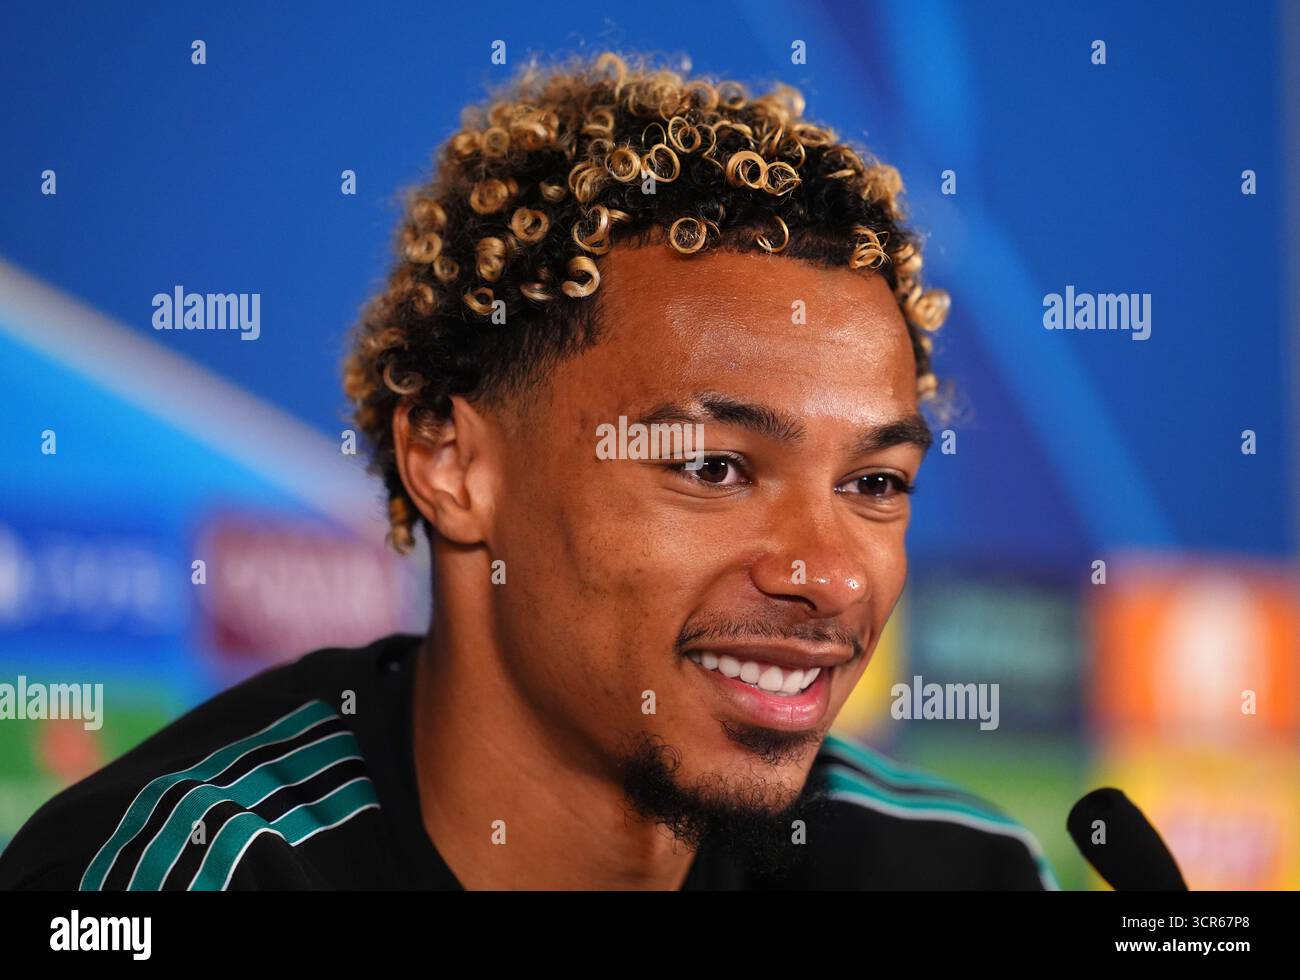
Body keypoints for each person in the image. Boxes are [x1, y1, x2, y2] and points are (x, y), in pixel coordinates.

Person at [0, 51, 1055, 890]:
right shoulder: (171, 882)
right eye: (713, 465)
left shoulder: (964, 870)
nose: (828, 576)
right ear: (450, 461)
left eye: (874, 483)